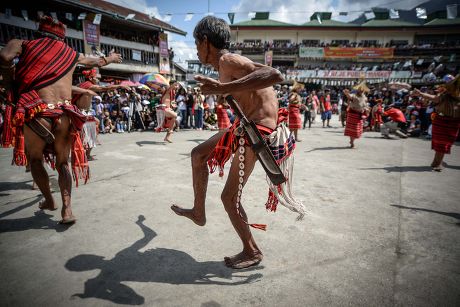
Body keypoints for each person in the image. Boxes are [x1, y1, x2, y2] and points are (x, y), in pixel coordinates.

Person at [171, 16, 305, 269]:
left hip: (257, 130)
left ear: (205, 42)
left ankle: (252, 251)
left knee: (228, 197)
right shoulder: (228, 63)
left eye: (196, 44)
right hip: (244, 126)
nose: (197, 50)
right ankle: (198, 212)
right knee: (198, 154)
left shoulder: (227, 60)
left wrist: (224, 88)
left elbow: (274, 74)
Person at [0, 16, 122, 223]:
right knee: (63, 163)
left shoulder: (25, 44)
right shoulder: (71, 53)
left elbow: (4, 57)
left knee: (36, 159)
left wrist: (11, 81)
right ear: (62, 38)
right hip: (64, 113)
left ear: (39, 33)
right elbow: (97, 61)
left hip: (36, 112)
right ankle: (67, 210)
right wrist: (109, 59)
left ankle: (49, 200)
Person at [412, 75, 460, 171]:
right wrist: (421, 94)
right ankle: (437, 164)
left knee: (445, 144)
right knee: (441, 144)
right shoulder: (444, 96)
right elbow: (433, 97)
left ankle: (436, 162)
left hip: (454, 124)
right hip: (441, 121)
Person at [342, 81, 370, 148]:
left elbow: (365, 105)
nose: (361, 90)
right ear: (357, 90)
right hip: (352, 114)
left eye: (362, 89)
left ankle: (352, 141)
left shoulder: (364, 97)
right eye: (359, 89)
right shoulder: (353, 95)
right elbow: (349, 97)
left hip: (359, 115)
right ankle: (352, 143)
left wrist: (367, 109)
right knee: (352, 130)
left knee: (358, 130)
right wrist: (347, 94)